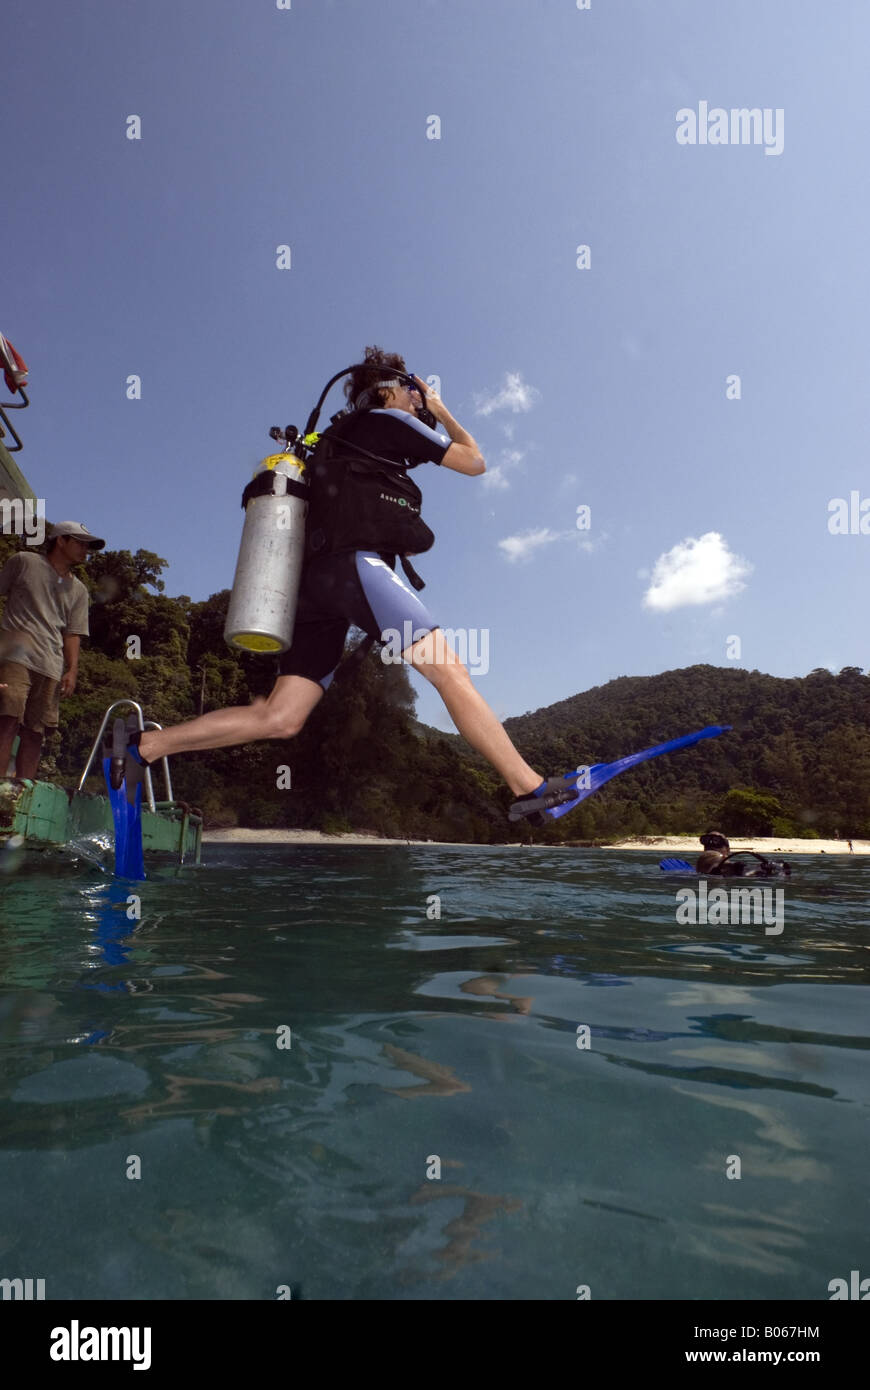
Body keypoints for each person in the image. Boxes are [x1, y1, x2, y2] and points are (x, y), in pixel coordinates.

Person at [118, 348, 580, 824]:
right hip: (353, 568)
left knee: (280, 717)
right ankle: (531, 787)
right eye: (411, 392)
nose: (418, 403)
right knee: (450, 671)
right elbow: (474, 461)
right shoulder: (385, 420)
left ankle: (146, 747)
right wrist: (441, 410)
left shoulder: (333, 442)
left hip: (311, 591)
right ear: (384, 389)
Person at [0, 521, 103, 779]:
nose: (85, 551)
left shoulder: (79, 590)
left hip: (50, 664)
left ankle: (23, 795)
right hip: (15, 654)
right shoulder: (24, 561)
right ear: (60, 540)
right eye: (80, 543)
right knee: (8, 719)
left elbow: (72, 633)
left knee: (36, 732)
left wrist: (72, 670)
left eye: (88, 547)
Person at [695, 830, 790, 878]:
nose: (711, 845)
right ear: (727, 851)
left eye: (716, 841)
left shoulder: (698, 864)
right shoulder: (712, 859)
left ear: (728, 849)